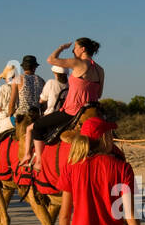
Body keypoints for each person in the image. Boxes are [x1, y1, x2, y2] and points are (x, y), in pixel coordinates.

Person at [33, 38, 104, 166]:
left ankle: (39, 161)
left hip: (74, 111)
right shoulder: (100, 70)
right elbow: (99, 94)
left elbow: (51, 60)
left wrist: (61, 48)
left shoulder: (79, 63)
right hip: (94, 110)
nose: (72, 50)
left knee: (37, 125)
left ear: (82, 49)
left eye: (75, 47)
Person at [12, 55, 47, 164]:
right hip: (37, 116)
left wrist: (9, 115)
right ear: (35, 67)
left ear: (23, 67)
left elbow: (12, 102)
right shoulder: (41, 80)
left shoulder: (17, 79)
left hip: (22, 116)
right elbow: (44, 104)